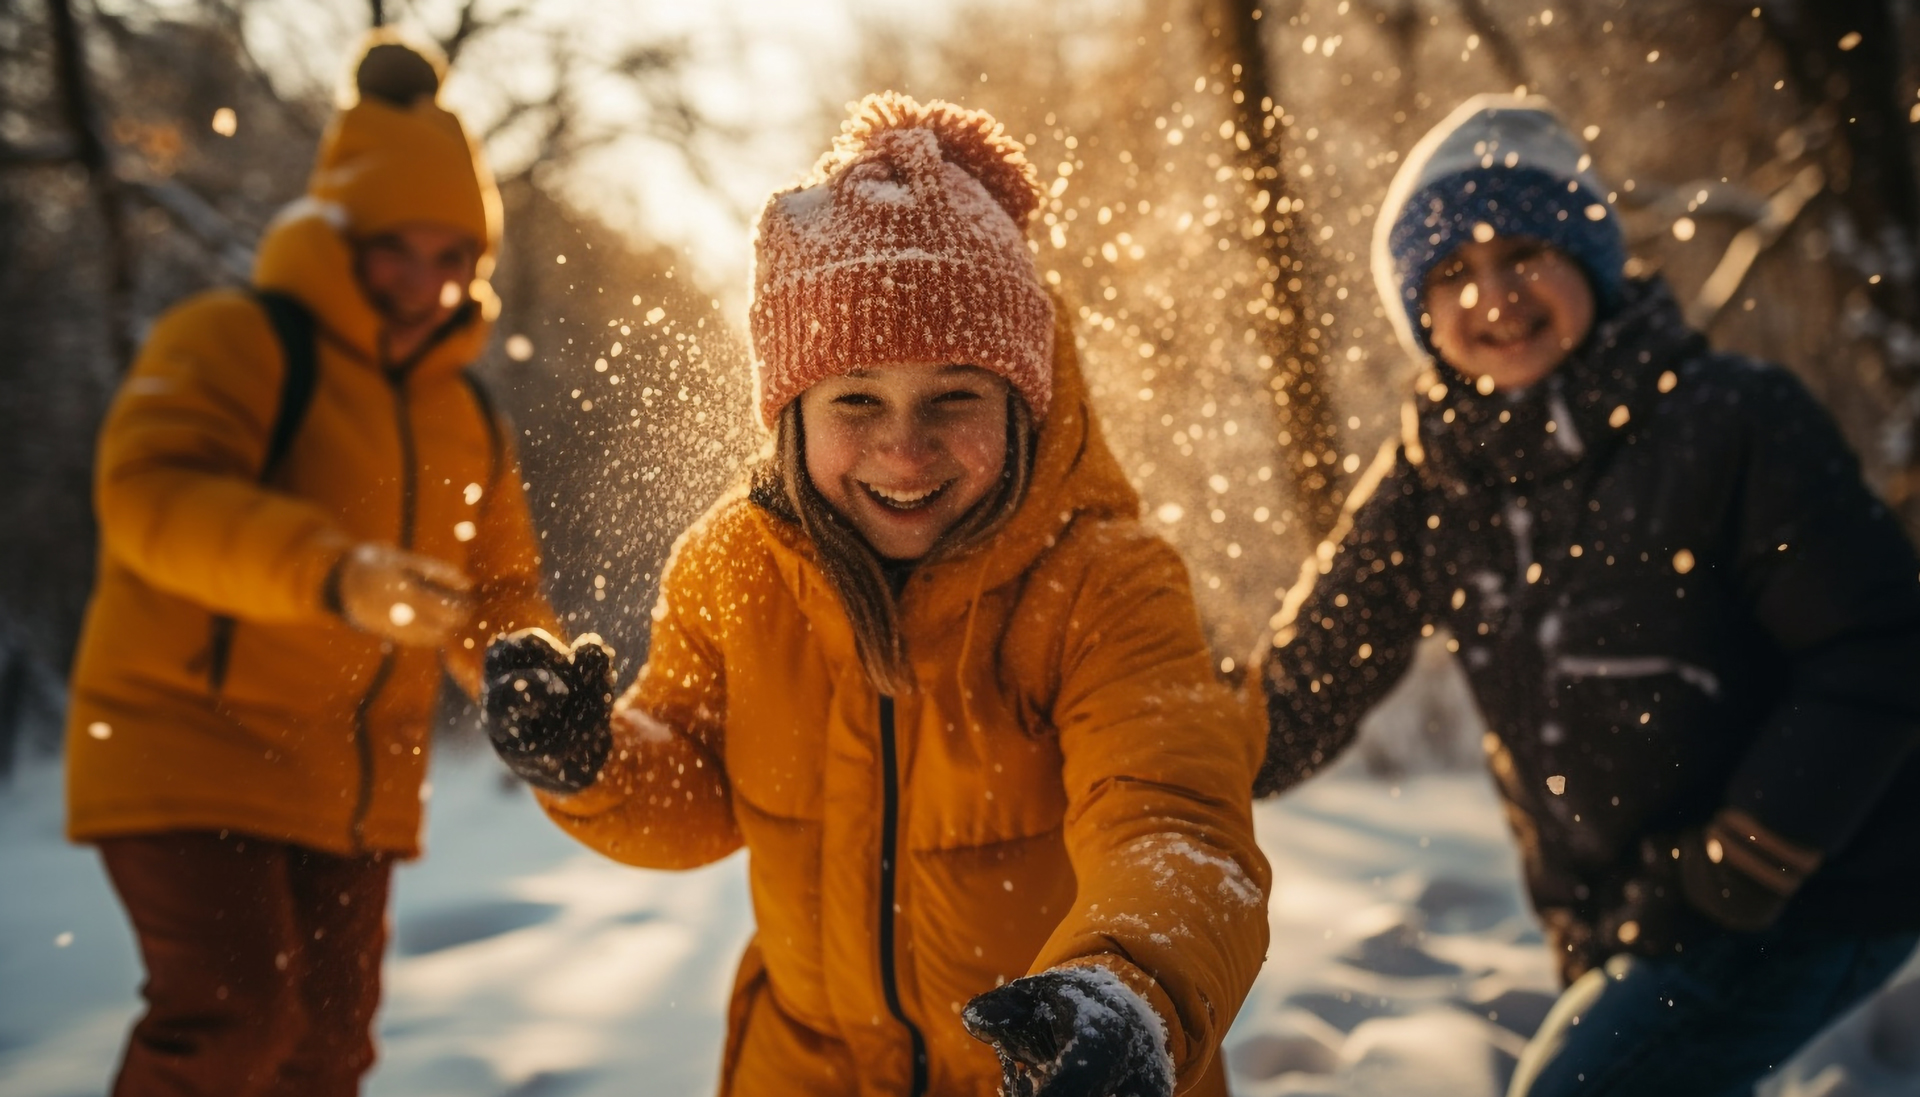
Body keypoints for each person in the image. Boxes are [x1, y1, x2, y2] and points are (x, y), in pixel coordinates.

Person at [481, 93, 1271, 1097]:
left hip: (1057, 1071)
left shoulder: (1105, 584)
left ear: (1025, 406)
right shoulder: (736, 566)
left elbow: (1174, 823)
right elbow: (696, 787)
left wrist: (1127, 990)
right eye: (857, 397)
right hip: (806, 1064)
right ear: (791, 414)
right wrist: (591, 757)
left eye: (955, 397)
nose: (905, 447)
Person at [1254, 93, 1920, 1096]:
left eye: (1521, 253)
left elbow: (1880, 642)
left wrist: (1747, 855)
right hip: (1632, 914)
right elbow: (1300, 693)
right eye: (1452, 273)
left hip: (1818, 884)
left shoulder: (1730, 419)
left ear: (1589, 260)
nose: (1493, 294)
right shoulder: (1435, 482)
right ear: (1419, 313)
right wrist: (1146, 738)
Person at [64, 34, 556, 1097]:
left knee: (326, 1055)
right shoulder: (237, 340)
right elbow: (153, 497)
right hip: (189, 743)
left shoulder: (466, 410)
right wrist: (334, 573)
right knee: (232, 1021)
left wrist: (533, 675)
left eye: (452, 256)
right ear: (340, 235)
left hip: (351, 785)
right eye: (398, 249)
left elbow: (501, 590)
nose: (426, 282)